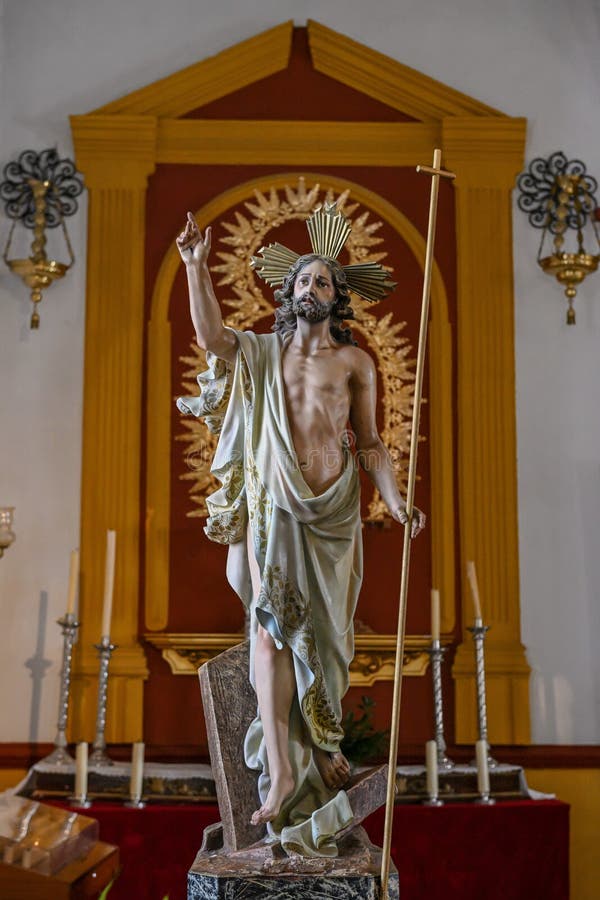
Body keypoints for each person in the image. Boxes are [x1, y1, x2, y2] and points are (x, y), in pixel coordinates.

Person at [177, 207, 425, 857]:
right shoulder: (262, 351)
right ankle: (284, 773)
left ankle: (318, 749)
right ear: (286, 291)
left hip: (336, 513)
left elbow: (371, 444)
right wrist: (196, 267)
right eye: (303, 280)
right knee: (268, 625)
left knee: (326, 643)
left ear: (339, 296)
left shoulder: (356, 363)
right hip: (276, 503)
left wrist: (395, 501)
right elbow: (211, 338)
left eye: (323, 282)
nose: (311, 288)